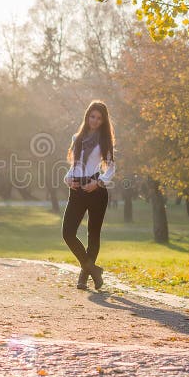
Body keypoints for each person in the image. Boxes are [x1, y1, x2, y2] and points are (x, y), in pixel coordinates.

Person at [62, 100, 116, 290]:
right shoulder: (76, 137)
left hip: (96, 190)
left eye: (99, 118)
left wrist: (99, 183)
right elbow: (75, 165)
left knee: (93, 234)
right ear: (87, 116)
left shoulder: (104, 141)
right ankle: (93, 269)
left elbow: (111, 168)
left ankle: (84, 277)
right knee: (68, 233)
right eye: (92, 116)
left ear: (103, 121)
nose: (95, 120)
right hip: (77, 189)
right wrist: (68, 179)